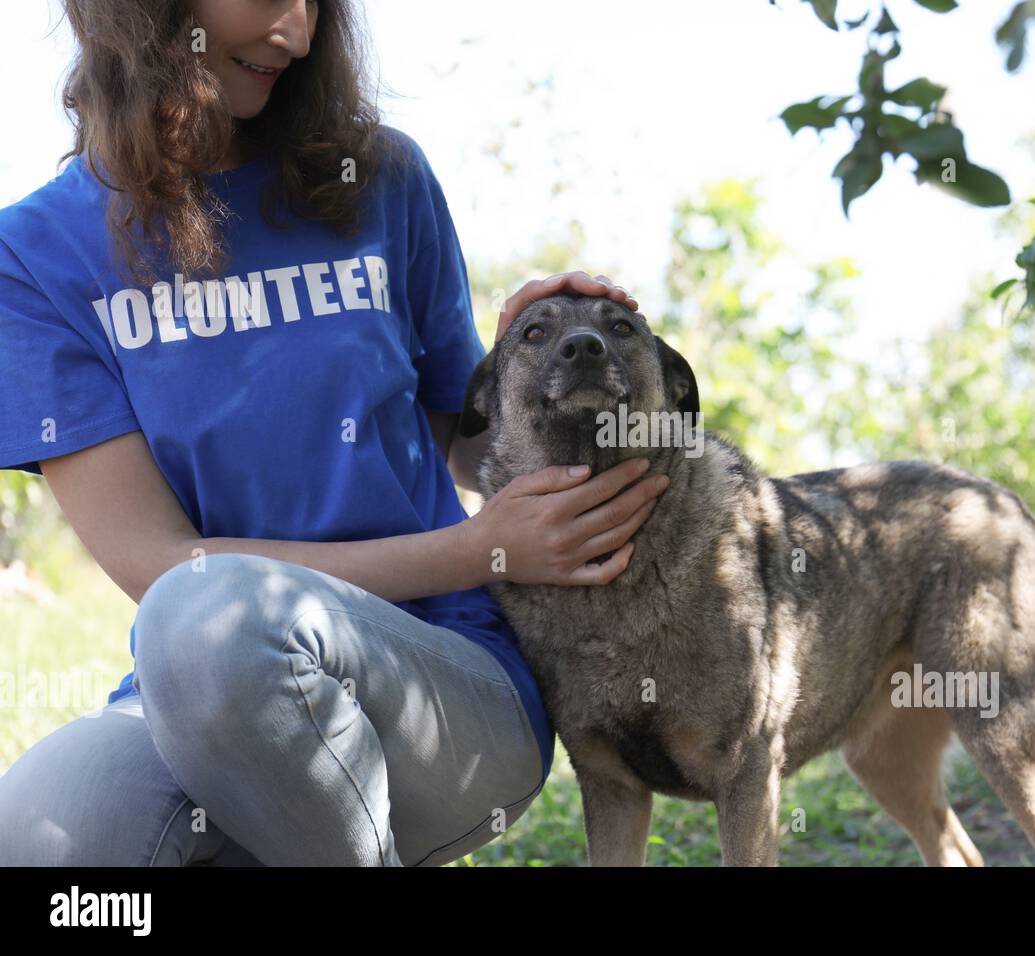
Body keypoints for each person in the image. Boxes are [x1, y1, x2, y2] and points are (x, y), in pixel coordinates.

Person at [0, 0, 665, 866]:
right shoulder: (33, 254)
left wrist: (528, 368)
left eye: (317, 1)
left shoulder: (379, 175)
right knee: (41, 833)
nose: (299, 31)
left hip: (446, 672)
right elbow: (154, 561)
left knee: (209, 615)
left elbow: (466, 445)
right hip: (206, 683)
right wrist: (478, 547)